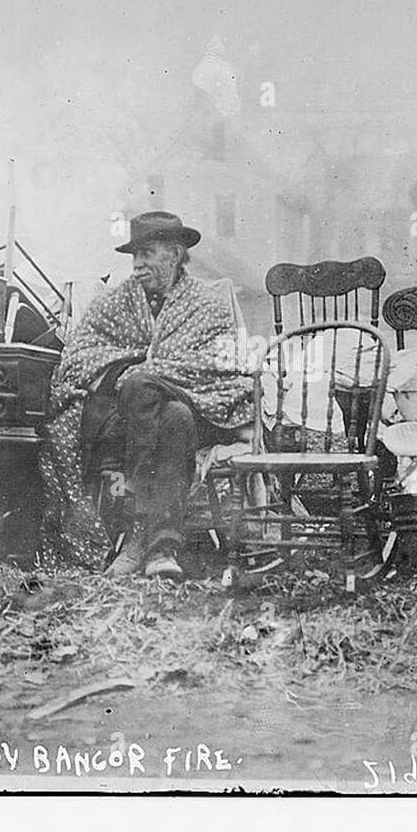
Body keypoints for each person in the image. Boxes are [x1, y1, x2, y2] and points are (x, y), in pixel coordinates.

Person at [38, 211, 254, 578]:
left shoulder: (206, 305)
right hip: (137, 417)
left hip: (203, 410)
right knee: (172, 417)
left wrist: (149, 371)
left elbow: (221, 364)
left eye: (147, 253)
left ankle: (137, 535)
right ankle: (161, 549)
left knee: (148, 389)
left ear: (175, 254)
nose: (137, 264)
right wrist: (135, 367)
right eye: (134, 256)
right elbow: (79, 354)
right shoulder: (117, 303)